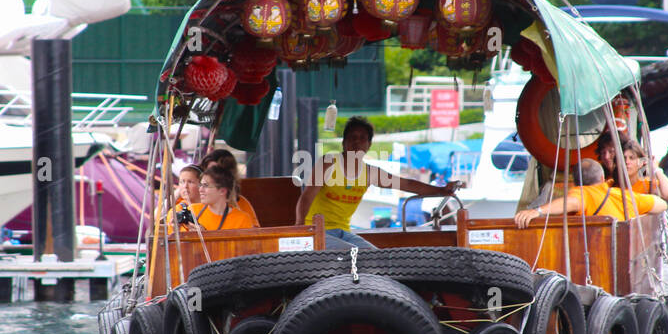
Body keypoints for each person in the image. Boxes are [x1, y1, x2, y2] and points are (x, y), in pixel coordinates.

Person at [296, 116, 460, 249]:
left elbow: (407, 185)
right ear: (344, 143)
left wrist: (441, 190)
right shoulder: (329, 163)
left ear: (369, 145)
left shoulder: (370, 173)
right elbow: (307, 197)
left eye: (362, 139)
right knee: (353, 254)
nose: (357, 142)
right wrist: (300, 228)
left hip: (344, 232)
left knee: (376, 257)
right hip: (317, 231)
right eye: (352, 138)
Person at [515, 159, 666, 227]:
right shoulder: (623, 195)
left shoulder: (582, 193)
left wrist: (538, 211)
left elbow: (572, 202)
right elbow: (662, 204)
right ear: (602, 178)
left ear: (575, 182)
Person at [180, 164, 257, 232]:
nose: (200, 189)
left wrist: (206, 237)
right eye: (201, 185)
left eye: (206, 185)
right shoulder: (192, 211)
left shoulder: (242, 219)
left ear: (222, 191)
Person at [199, 148, 259, 222]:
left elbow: (253, 231)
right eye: (207, 171)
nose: (208, 176)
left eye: (215, 172)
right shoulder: (192, 208)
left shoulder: (243, 207)